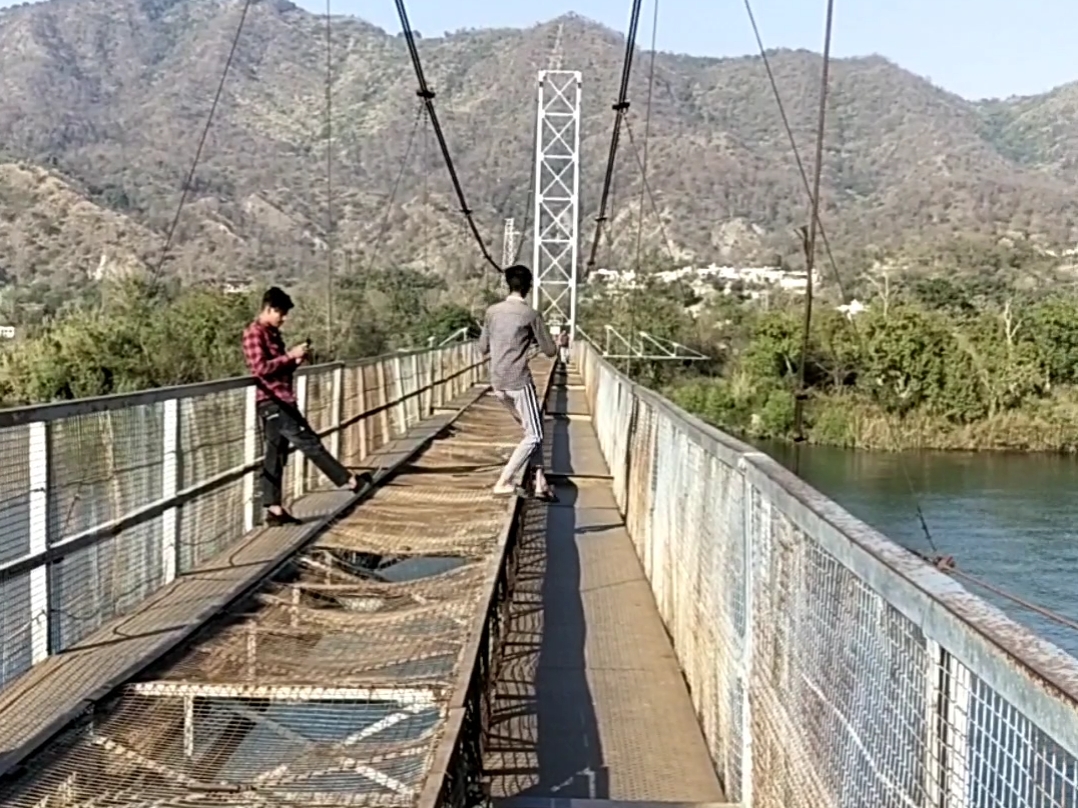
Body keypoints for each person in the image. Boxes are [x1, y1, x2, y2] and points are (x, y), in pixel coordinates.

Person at [242, 286, 371, 526]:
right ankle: (350, 481)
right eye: (281, 313)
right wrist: (289, 356)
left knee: (275, 454)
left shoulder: (273, 335)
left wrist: (295, 361)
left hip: (282, 398)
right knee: (308, 441)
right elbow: (259, 369)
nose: (284, 318)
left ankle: (274, 510)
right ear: (269, 309)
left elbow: (278, 368)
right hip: (273, 401)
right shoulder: (254, 333)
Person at [477, 265, 557, 501]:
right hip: (519, 381)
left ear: (507, 285)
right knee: (534, 435)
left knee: (532, 430)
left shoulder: (492, 312)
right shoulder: (530, 315)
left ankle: (540, 482)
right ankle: (504, 481)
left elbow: (483, 348)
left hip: (498, 383)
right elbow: (550, 351)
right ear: (529, 287)